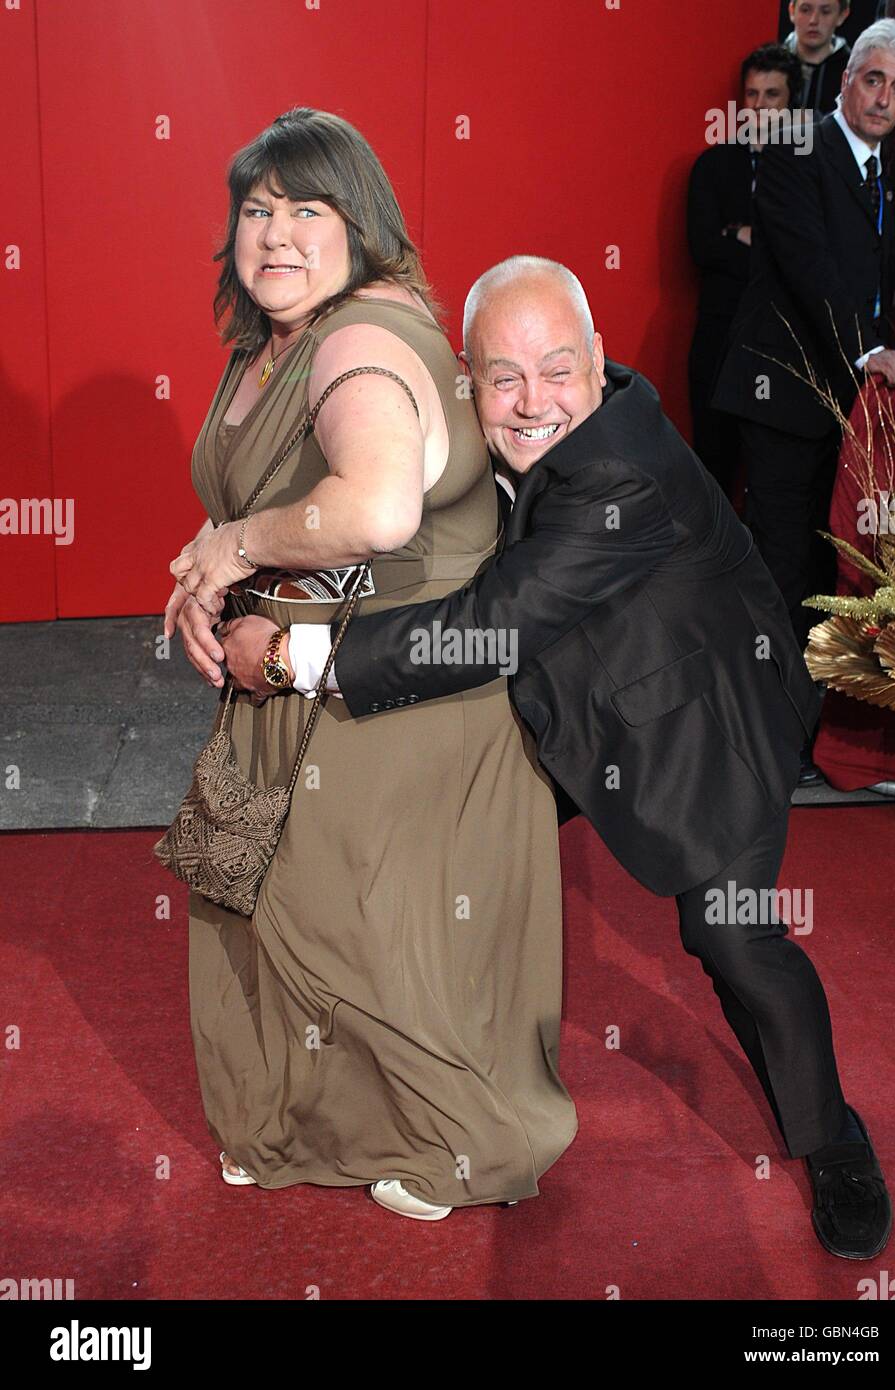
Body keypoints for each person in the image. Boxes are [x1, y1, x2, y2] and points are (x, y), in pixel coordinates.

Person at [287, 255, 894, 1261]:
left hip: (707, 720)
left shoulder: (620, 468)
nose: (531, 404)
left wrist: (315, 658)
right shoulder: (521, 431)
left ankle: (833, 1137)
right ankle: (446, 1089)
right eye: (503, 378)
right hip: (589, 686)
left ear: (599, 361)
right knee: (461, 836)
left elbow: (500, 617)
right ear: (468, 381)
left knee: (729, 940)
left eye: (554, 370)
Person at [163, 108, 577, 1222]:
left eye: (310, 209)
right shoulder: (277, 340)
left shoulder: (358, 339)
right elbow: (273, 501)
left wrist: (230, 551)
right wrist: (217, 586)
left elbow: (377, 509)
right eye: (257, 209)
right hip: (293, 670)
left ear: (363, 227)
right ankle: (297, 1125)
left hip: (389, 694)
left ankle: (468, 1144)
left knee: (344, 933)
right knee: (243, 903)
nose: (278, 233)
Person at [711, 17, 895, 781]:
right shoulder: (798, 144)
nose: (883, 98)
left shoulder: (886, 170)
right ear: (844, 78)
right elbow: (810, 268)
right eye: (872, 79)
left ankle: (803, 742)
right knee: (782, 571)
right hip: (784, 398)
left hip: (846, 409)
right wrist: (866, 351)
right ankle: (764, 744)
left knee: (828, 573)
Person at [687, 43, 802, 497]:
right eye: (751, 95)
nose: (759, 106)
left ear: (792, 101)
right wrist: (766, 252)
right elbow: (703, 249)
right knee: (711, 467)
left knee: (775, 481)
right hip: (719, 339)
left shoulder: (809, 166)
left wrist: (738, 235)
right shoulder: (713, 164)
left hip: (783, 345)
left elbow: (804, 260)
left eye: (772, 95)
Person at [783, 0, 852, 115]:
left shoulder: (852, 71)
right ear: (792, 11)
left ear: (842, 15)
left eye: (825, 12)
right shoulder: (771, 63)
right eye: (805, 10)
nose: (813, 20)